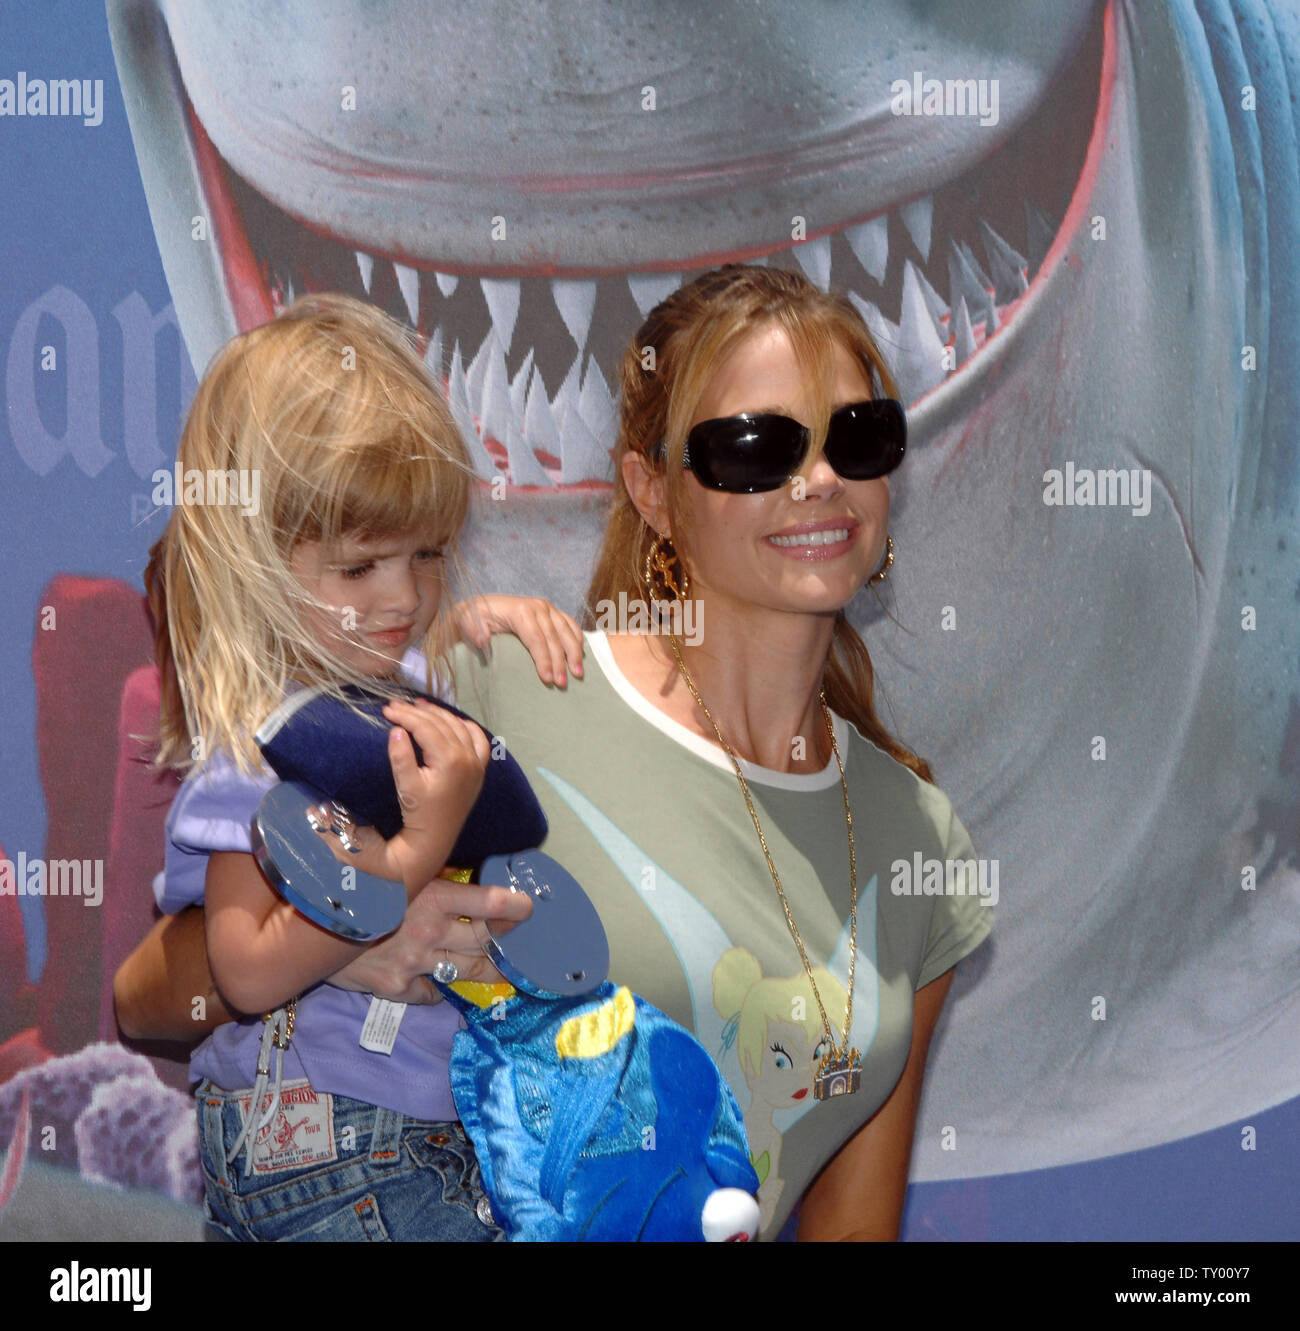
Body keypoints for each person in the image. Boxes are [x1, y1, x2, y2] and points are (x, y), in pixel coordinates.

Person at [119, 265, 993, 1241]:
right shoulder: (496, 691)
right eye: (755, 447)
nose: (819, 477)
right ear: (651, 490)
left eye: (860, 435)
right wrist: (358, 944)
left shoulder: (918, 841)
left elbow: (849, 1226)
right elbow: (152, 995)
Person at [140, 292, 582, 1242]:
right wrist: (420, 845)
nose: (406, 594)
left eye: (427, 554)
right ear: (252, 557)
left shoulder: (389, 680)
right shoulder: (255, 744)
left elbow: (427, 653)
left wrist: (492, 621)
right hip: (335, 1147)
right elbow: (246, 968)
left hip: (413, 1135)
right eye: (359, 568)